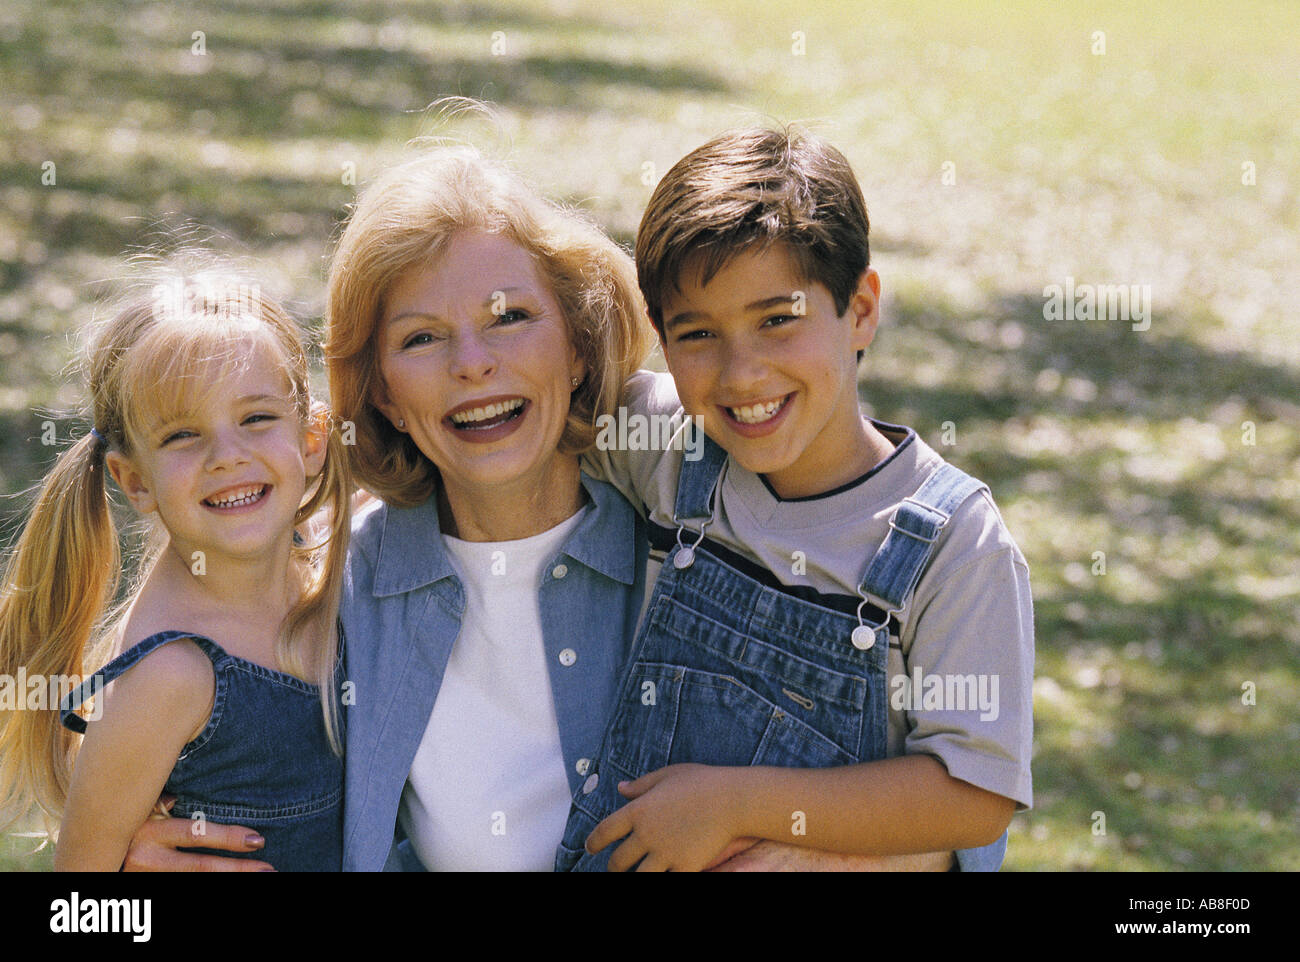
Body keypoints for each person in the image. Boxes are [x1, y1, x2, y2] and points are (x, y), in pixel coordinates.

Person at [561, 127, 1035, 871]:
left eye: (778, 320)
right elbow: (521, 420)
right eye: (698, 335)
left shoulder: (955, 546)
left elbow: (974, 797)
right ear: (660, 337)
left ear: (862, 309)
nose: (742, 375)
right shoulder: (660, 440)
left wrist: (732, 805)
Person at [0, 264, 352, 871]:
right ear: (133, 481)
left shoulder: (331, 568)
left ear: (313, 438)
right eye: (183, 435)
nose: (227, 456)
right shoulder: (170, 676)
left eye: (256, 418)